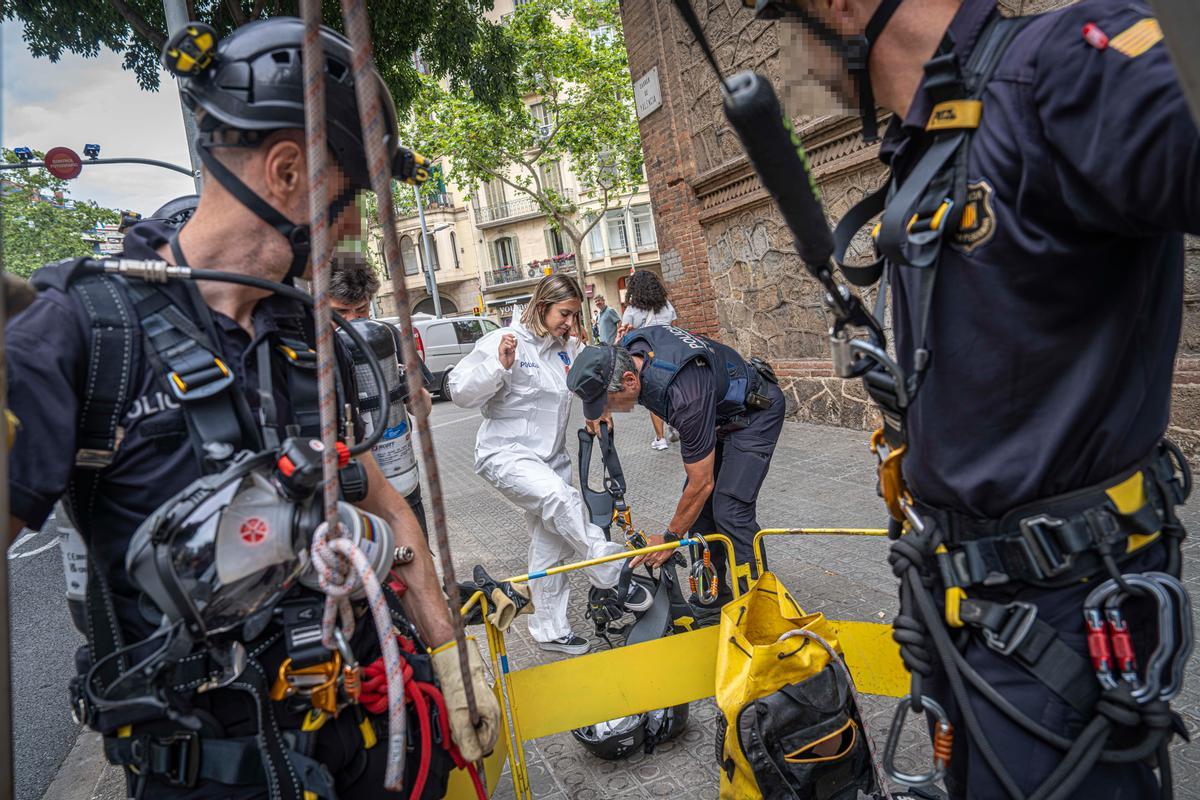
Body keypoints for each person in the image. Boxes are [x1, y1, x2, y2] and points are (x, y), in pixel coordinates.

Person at [6, 17, 498, 798]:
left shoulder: (307, 338)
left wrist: (451, 650)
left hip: (363, 739)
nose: (354, 225)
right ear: (287, 170)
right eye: (348, 198)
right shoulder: (79, 335)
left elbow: (389, 510)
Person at [733, 0, 1198, 797]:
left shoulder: (1062, 69)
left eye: (787, 21)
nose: (798, 63)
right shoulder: (936, 144)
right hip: (973, 632)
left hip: (1066, 635)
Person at [449, 274, 652, 655]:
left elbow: (592, 379)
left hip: (551, 460)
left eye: (575, 316)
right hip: (505, 454)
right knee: (562, 501)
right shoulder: (504, 342)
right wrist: (497, 367)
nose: (569, 323)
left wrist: (600, 411)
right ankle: (613, 573)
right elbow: (459, 391)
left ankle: (549, 628)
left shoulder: (567, 348)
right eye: (564, 313)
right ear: (542, 306)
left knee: (552, 545)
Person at [567, 326, 785, 606]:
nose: (605, 409)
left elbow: (702, 482)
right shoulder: (628, 349)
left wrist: (670, 538)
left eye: (606, 402)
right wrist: (602, 410)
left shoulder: (685, 393)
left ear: (630, 380)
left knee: (730, 509)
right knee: (700, 513)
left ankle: (759, 605)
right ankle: (712, 599)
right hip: (719, 416)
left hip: (756, 414)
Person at [330, 251, 434, 534]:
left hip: (398, 474)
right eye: (340, 313)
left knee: (417, 551)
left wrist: (409, 388)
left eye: (361, 310)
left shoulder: (386, 336)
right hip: (348, 486)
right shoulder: (316, 348)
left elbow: (423, 409)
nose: (353, 321)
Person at [618, 270, 679, 450]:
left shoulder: (631, 311)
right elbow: (674, 330)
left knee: (654, 397)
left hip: (648, 359)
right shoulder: (667, 306)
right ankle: (674, 426)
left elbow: (625, 337)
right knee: (672, 393)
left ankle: (660, 439)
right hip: (670, 355)